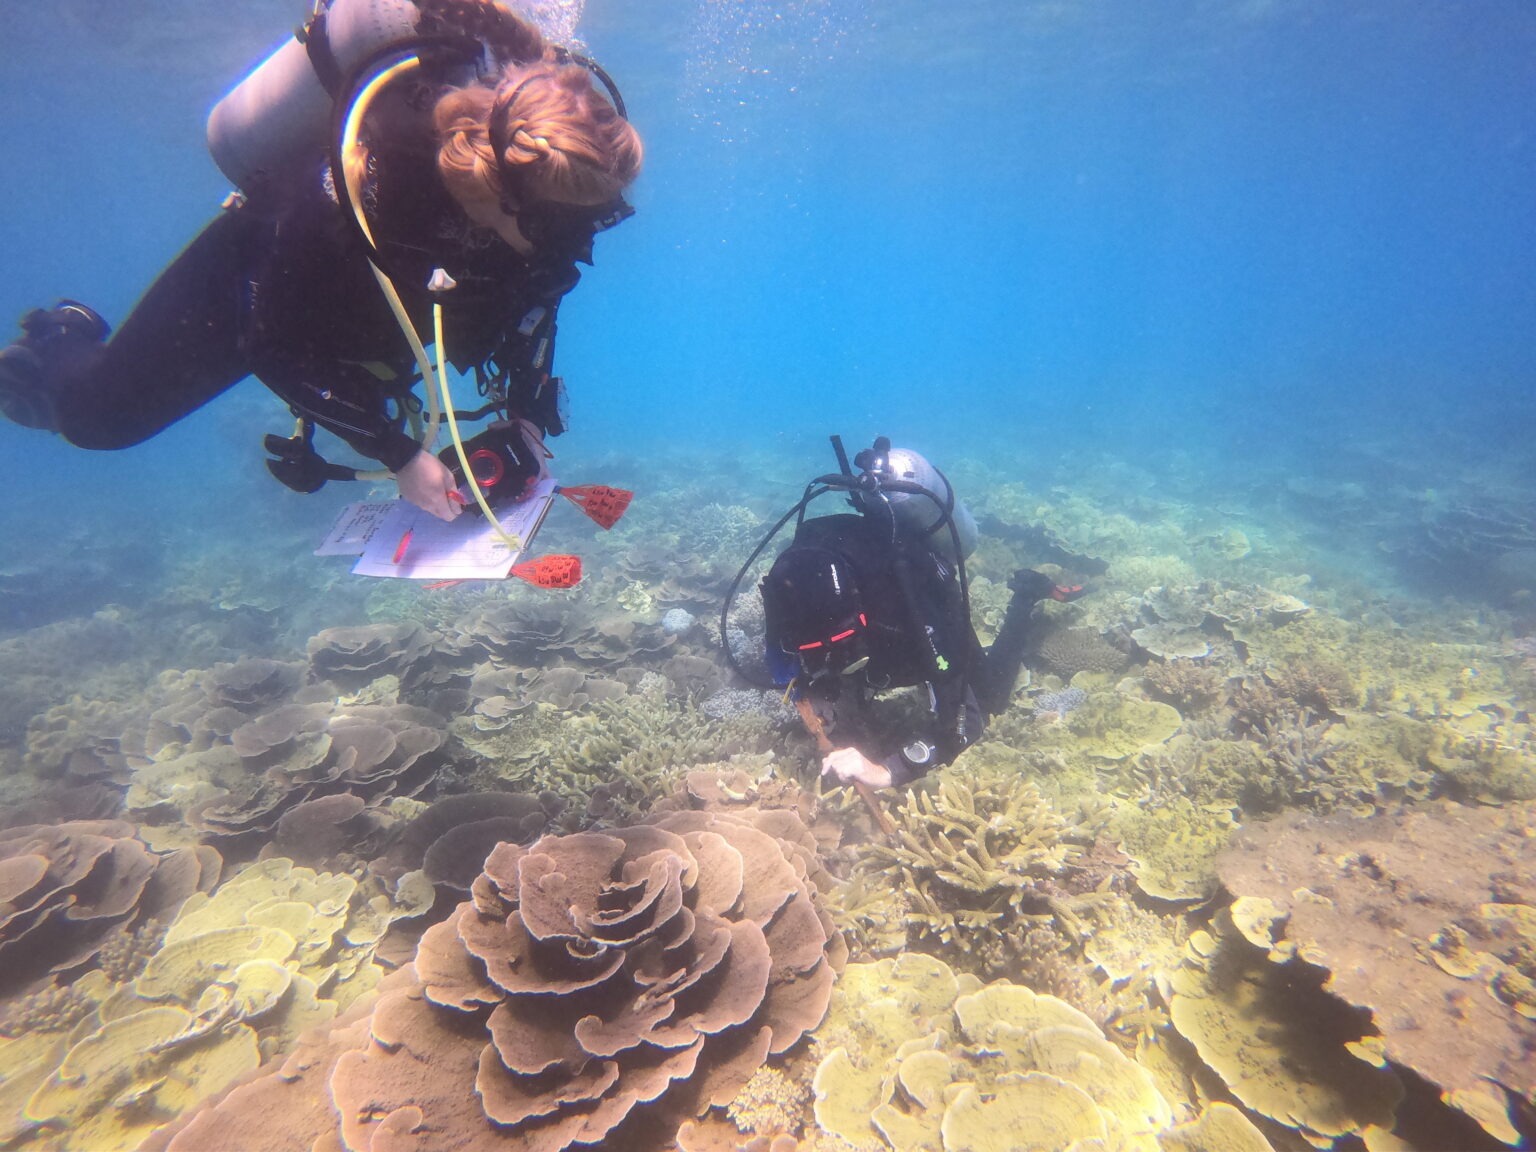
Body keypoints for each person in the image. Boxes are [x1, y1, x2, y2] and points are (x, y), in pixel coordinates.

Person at [0, 0, 641, 522]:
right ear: (502, 195)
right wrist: (397, 455)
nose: (576, 240)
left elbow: (537, 303)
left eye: (595, 218)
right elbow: (272, 342)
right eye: (566, 223)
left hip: (365, 332)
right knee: (97, 420)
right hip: (254, 283)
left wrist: (526, 419)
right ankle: (61, 337)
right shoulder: (373, 189)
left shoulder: (547, 215)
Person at [745, 438, 1085, 788]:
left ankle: (1026, 594)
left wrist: (887, 771)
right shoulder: (790, 580)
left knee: (991, 697)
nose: (820, 652)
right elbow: (780, 653)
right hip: (871, 613)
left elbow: (963, 726)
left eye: (836, 645)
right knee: (843, 674)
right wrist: (804, 691)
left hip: (921, 602)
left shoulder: (909, 604)